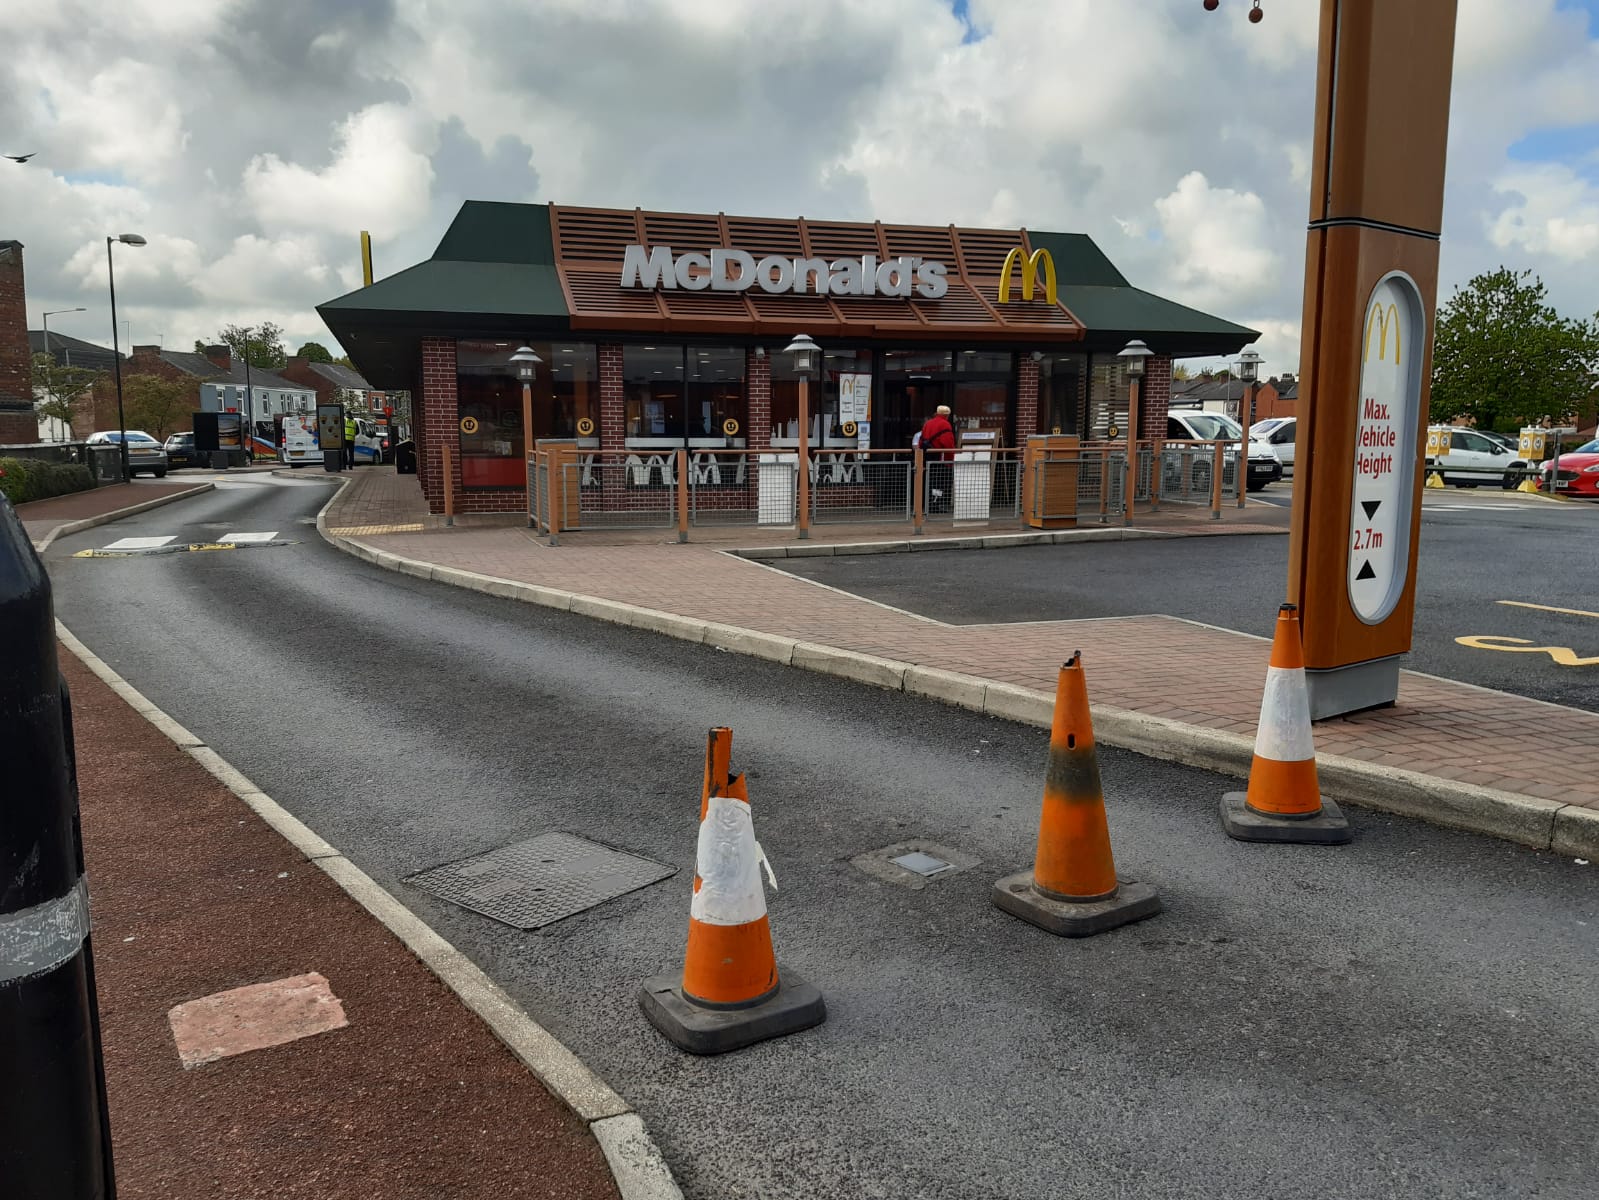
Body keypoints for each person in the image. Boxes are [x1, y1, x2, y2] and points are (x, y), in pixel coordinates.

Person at [918, 404, 957, 512]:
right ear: (947, 415)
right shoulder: (945, 424)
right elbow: (947, 443)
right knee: (940, 482)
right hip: (940, 458)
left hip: (928, 457)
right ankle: (935, 504)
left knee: (929, 480)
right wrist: (951, 459)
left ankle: (927, 503)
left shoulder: (928, 423)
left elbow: (921, 441)